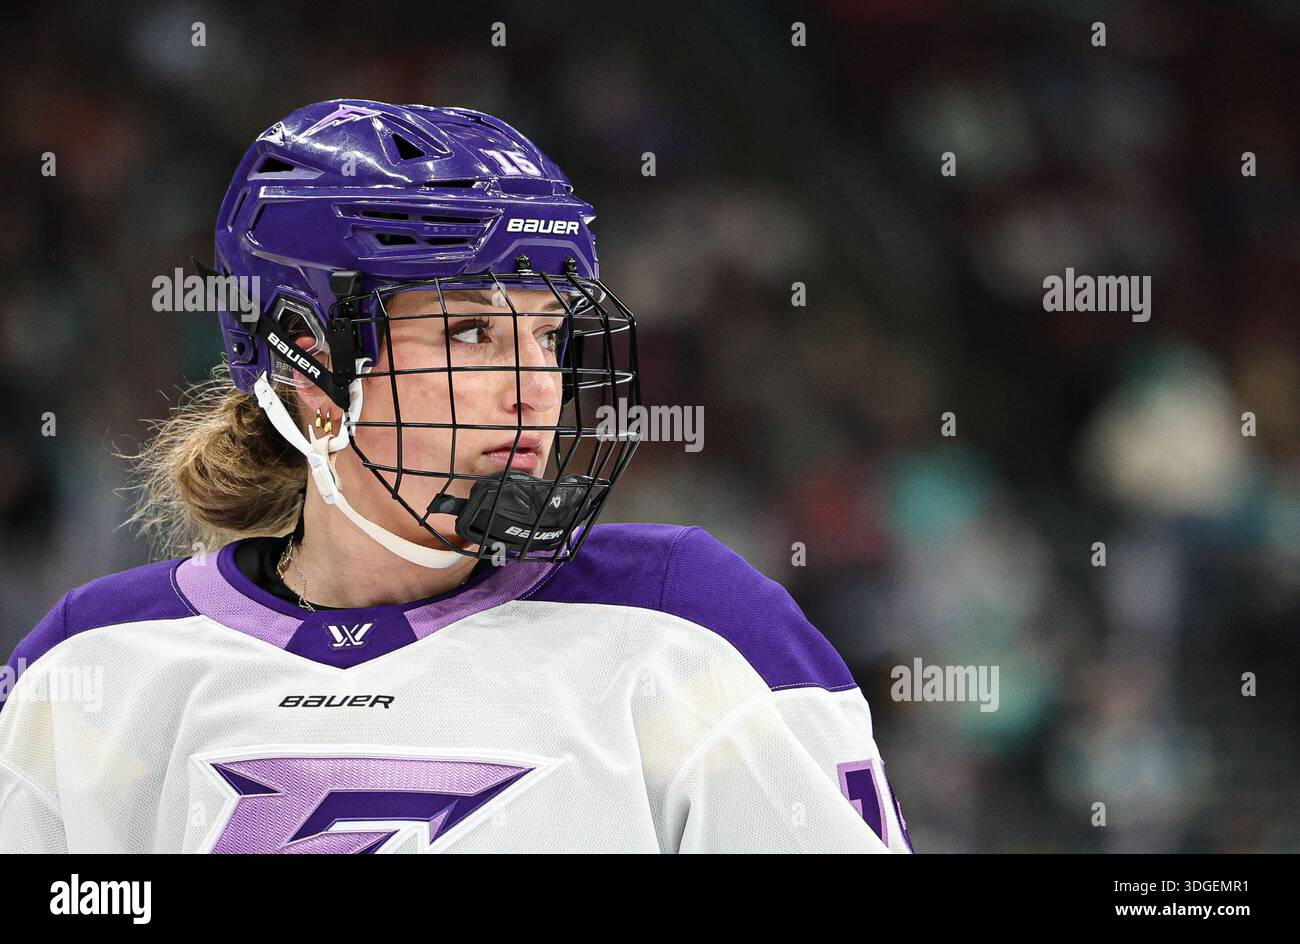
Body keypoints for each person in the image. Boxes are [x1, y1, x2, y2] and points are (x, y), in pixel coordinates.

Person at [0, 100, 912, 853]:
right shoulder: (93, 664)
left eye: (549, 337)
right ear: (307, 368)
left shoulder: (692, 630)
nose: (534, 392)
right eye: (470, 332)